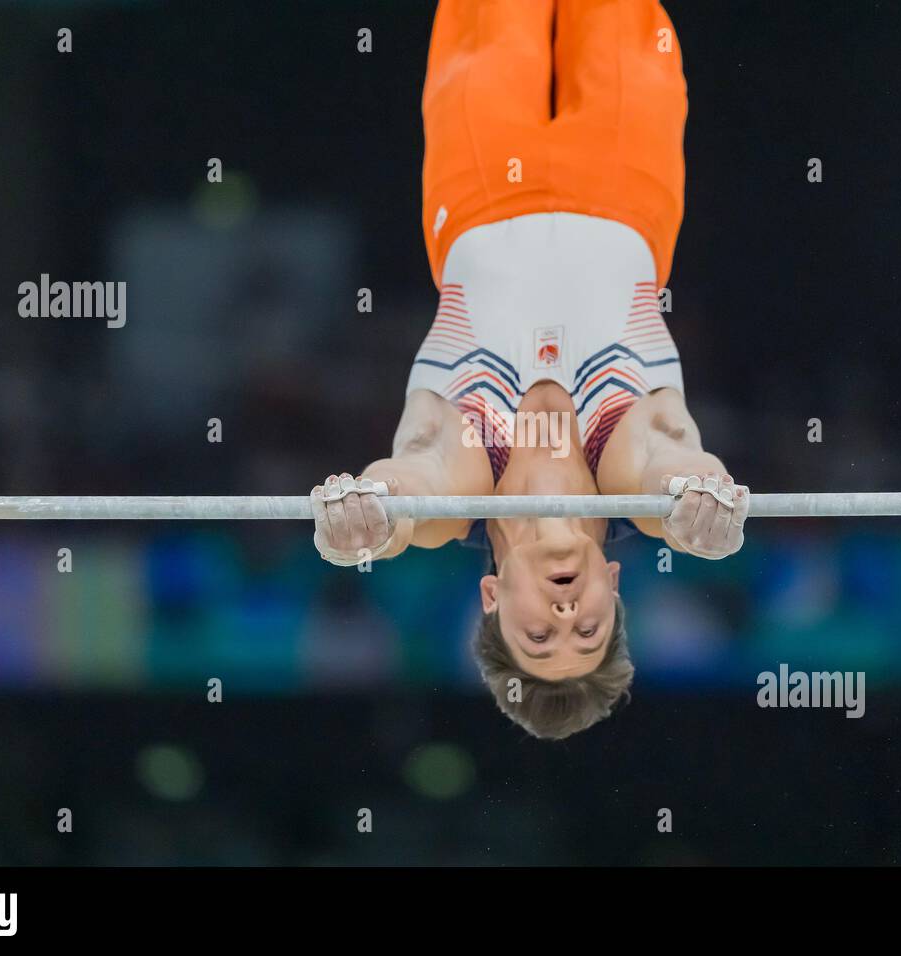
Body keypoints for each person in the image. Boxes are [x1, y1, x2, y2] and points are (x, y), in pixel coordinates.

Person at [312, 0, 749, 739]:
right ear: (615, 588)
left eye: (539, 638)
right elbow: (676, 465)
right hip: (626, 178)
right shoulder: (636, 483)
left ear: (490, 598)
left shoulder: (461, 484)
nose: (565, 616)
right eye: (588, 633)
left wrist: (362, 521)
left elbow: (407, 487)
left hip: (478, 183)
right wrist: (703, 516)